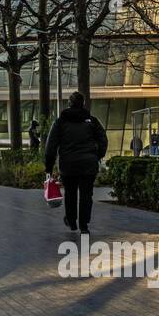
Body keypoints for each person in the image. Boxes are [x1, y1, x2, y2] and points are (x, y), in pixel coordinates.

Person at [44, 91, 108, 238]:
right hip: (88, 164)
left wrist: (48, 166)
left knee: (70, 193)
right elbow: (103, 139)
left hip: (68, 164)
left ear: (69, 103)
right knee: (86, 195)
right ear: (83, 103)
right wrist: (97, 155)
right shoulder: (92, 121)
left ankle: (72, 221)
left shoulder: (60, 122)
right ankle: (84, 226)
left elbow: (51, 146)